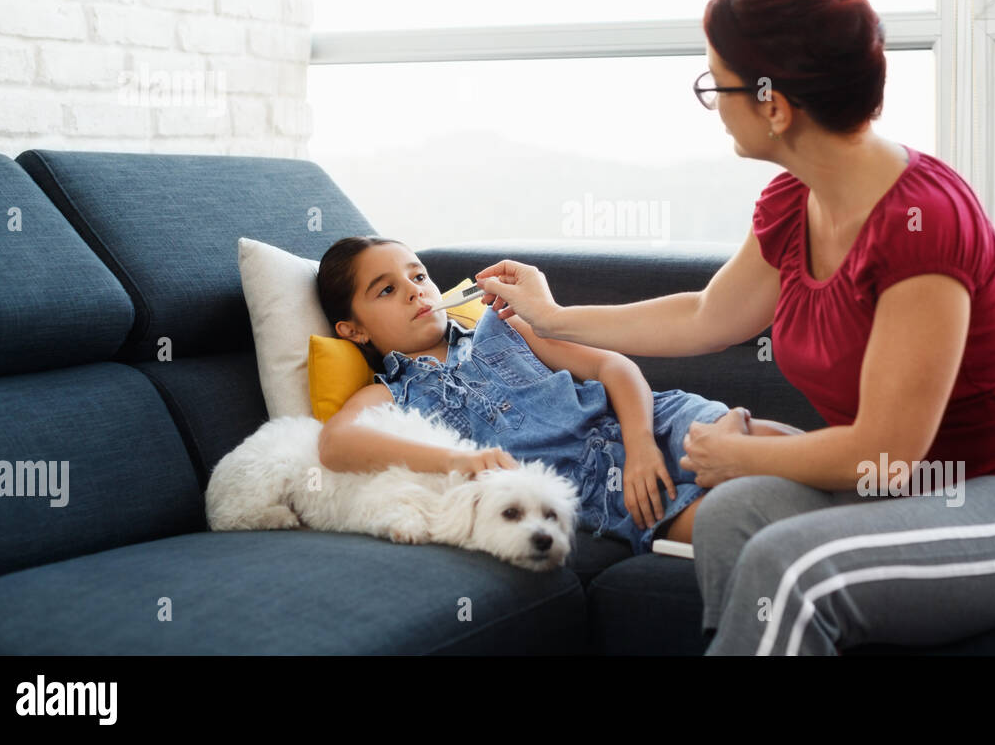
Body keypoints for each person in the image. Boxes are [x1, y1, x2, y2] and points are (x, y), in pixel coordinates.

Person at [471, 0, 995, 655]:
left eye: (715, 85)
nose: (713, 103)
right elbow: (705, 316)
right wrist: (551, 316)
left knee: (791, 569)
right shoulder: (794, 202)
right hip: (918, 495)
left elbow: (887, 451)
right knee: (730, 517)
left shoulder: (923, 223)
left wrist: (746, 454)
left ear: (774, 107)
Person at [314, 235, 749, 556]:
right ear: (353, 331)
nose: (415, 291)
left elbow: (613, 367)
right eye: (387, 290)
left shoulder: (503, 325)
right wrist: (456, 462)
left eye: (419, 275)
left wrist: (640, 445)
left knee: (765, 451)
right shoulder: (392, 397)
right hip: (602, 493)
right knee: (742, 521)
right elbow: (335, 445)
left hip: (652, 423)